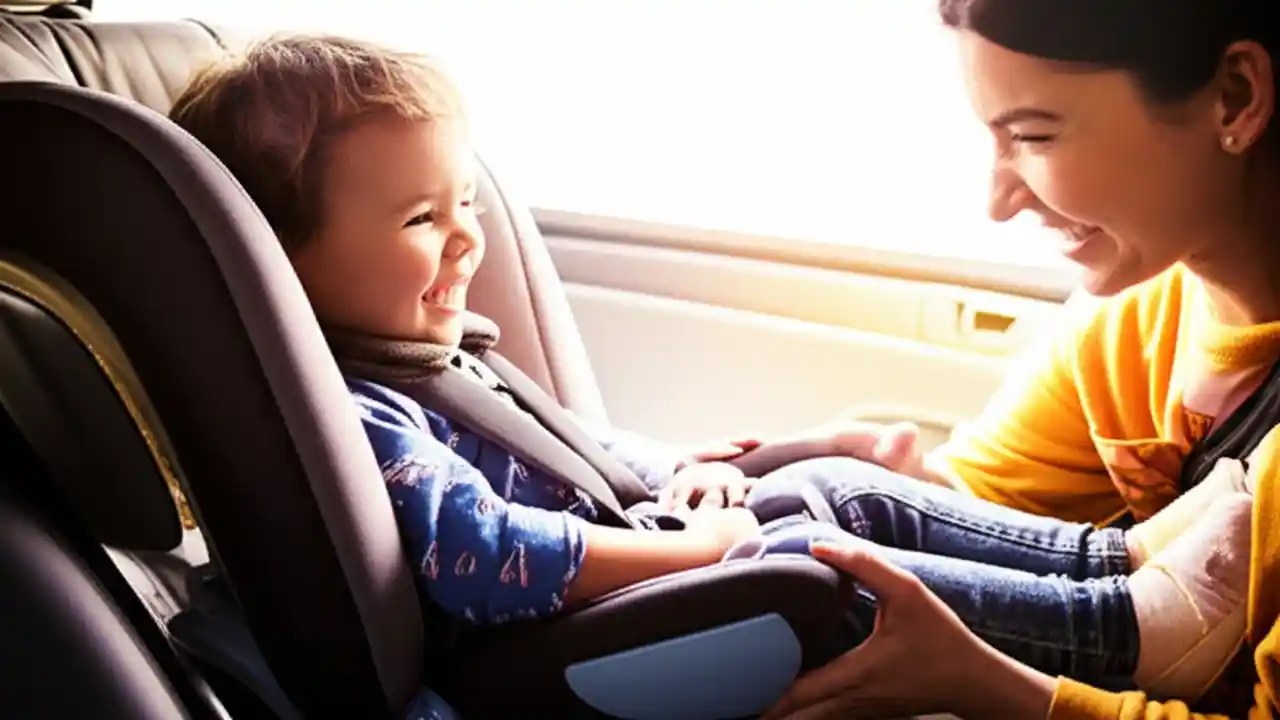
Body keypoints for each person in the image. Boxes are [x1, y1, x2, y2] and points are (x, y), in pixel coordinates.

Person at [170, 29, 1266, 711]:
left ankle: (1111, 565)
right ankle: (1123, 628)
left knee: (827, 486)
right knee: (810, 541)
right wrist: (693, 540)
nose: (469, 240)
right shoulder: (357, 414)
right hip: (526, 652)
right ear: (276, 261)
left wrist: (674, 469)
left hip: (616, 554)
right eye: (420, 217)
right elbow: (482, 556)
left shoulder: (435, 360)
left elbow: (564, 450)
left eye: (466, 204)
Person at [761, 0, 1280, 717]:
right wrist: (884, 481)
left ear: (1236, 98)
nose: (998, 202)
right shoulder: (1131, 320)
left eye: (1034, 136)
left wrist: (984, 683)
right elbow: (982, 515)